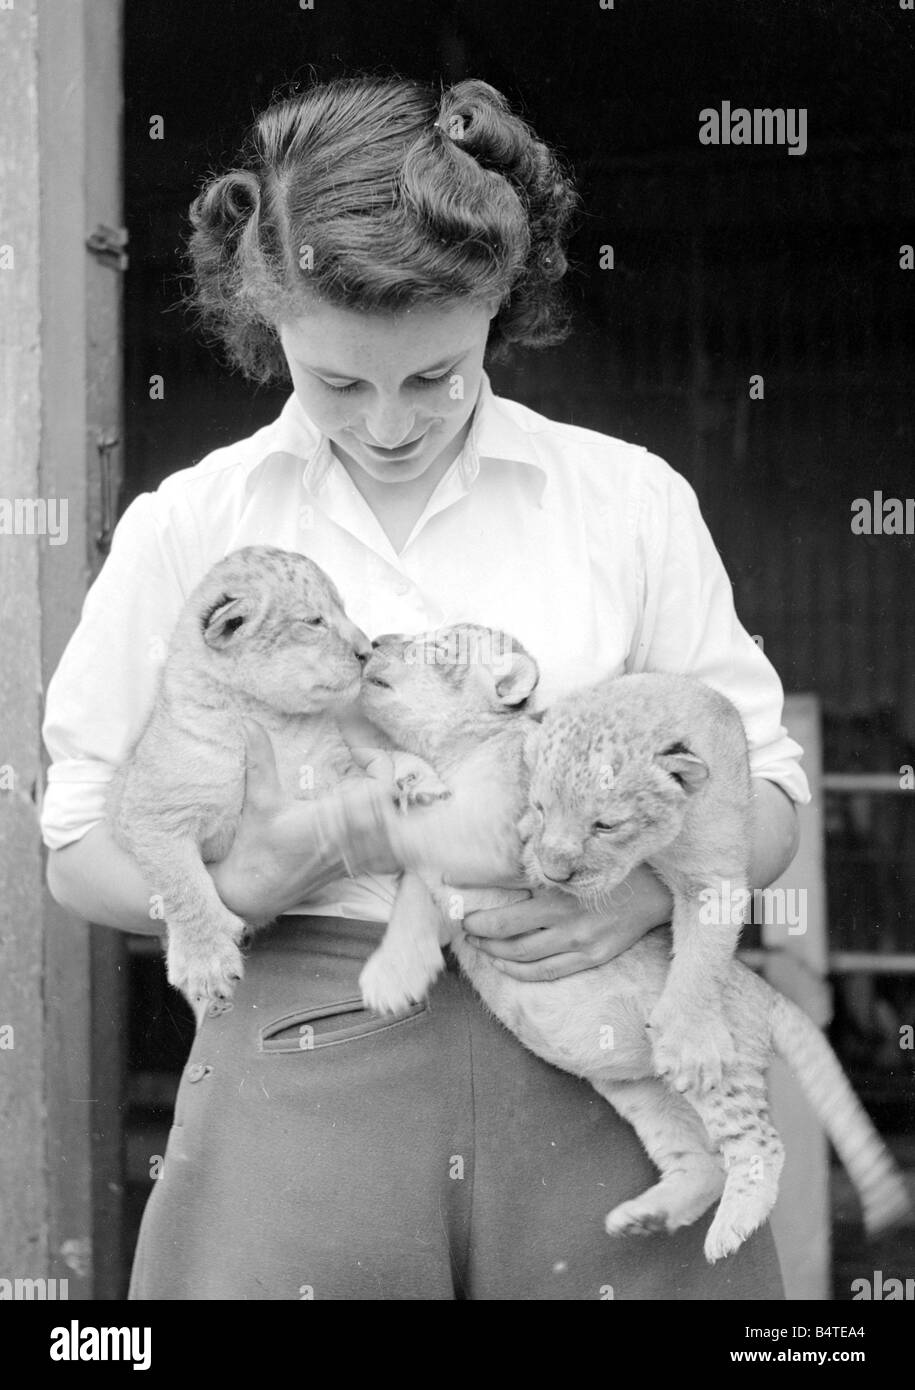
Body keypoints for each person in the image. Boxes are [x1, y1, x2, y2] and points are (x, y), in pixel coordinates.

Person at [42, 75, 808, 1300]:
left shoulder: (626, 501)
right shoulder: (195, 525)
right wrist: (249, 878)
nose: (391, 423)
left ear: (500, 305)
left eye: (437, 374)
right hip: (304, 1056)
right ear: (268, 315)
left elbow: (762, 792)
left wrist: (633, 906)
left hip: (602, 1039)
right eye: (337, 383)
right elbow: (77, 838)